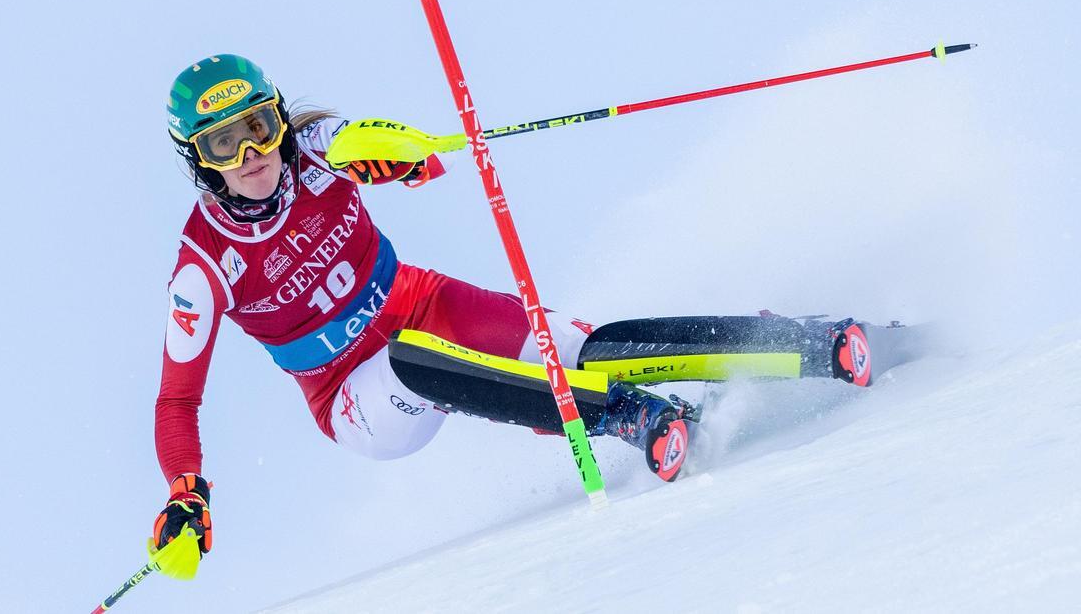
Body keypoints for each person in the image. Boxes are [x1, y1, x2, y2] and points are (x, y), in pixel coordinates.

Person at [149, 54, 919, 579]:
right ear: (199, 161)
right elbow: (177, 400)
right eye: (224, 143)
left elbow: (391, 151)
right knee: (412, 362)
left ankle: (804, 343)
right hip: (353, 396)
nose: (251, 154)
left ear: (280, 122)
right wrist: (187, 494)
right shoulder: (202, 265)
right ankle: (627, 416)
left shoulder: (315, 149)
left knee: (576, 346)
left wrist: (400, 156)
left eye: (259, 127)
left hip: (419, 299)